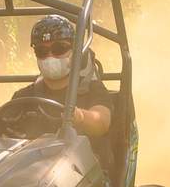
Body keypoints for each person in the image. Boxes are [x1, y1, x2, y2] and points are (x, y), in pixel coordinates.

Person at [11, 15, 114, 153]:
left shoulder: (91, 89)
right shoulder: (23, 97)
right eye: (41, 51)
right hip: (32, 168)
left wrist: (81, 117)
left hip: (84, 168)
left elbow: (102, 122)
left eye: (59, 48)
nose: (50, 56)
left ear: (75, 51)